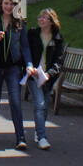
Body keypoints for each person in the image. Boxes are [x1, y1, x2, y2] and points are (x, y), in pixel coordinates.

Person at [0, 0, 34, 149]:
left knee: (15, 100)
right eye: (6, 3)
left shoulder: (19, 22)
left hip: (13, 66)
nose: (8, 7)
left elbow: (25, 46)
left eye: (12, 4)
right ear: (1, 4)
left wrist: (28, 64)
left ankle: (20, 137)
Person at [25, 8, 65, 150]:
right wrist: (30, 67)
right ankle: (42, 137)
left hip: (47, 77)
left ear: (51, 21)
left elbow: (59, 62)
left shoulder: (58, 38)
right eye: (40, 17)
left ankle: (38, 130)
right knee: (40, 104)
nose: (41, 20)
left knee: (45, 105)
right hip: (33, 75)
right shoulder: (33, 34)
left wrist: (49, 74)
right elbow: (26, 51)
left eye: (45, 18)